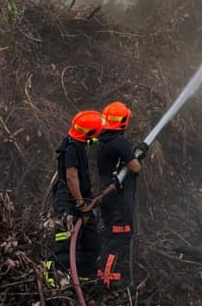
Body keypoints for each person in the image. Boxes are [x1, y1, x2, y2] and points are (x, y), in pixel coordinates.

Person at [44, 110, 104, 289]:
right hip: (69, 201)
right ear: (89, 133)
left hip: (80, 200)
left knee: (90, 236)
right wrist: (79, 203)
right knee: (65, 239)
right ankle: (55, 275)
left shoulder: (79, 144)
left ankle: (84, 274)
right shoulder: (71, 148)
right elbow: (71, 177)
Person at [95, 101, 149, 290]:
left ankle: (102, 274)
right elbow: (135, 167)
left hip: (106, 193)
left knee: (111, 234)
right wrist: (137, 156)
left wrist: (133, 154)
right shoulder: (120, 143)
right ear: (124, 121)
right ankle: (110, 279)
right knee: (121, 235)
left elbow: (120, 164)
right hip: (118, 198)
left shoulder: (103, 142)